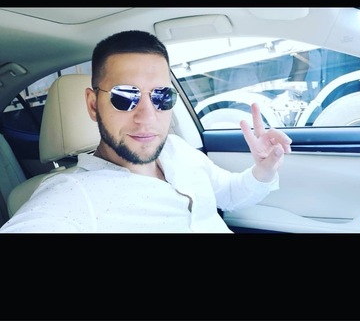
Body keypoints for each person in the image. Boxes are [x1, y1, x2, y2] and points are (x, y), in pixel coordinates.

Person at [0, 30, 292, 233]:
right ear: (93, 105)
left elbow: (229, 193)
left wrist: (263, 170)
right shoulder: (72, 195)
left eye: (161, 96)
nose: (147, 116)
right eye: (125, 96)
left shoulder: (179, 150)